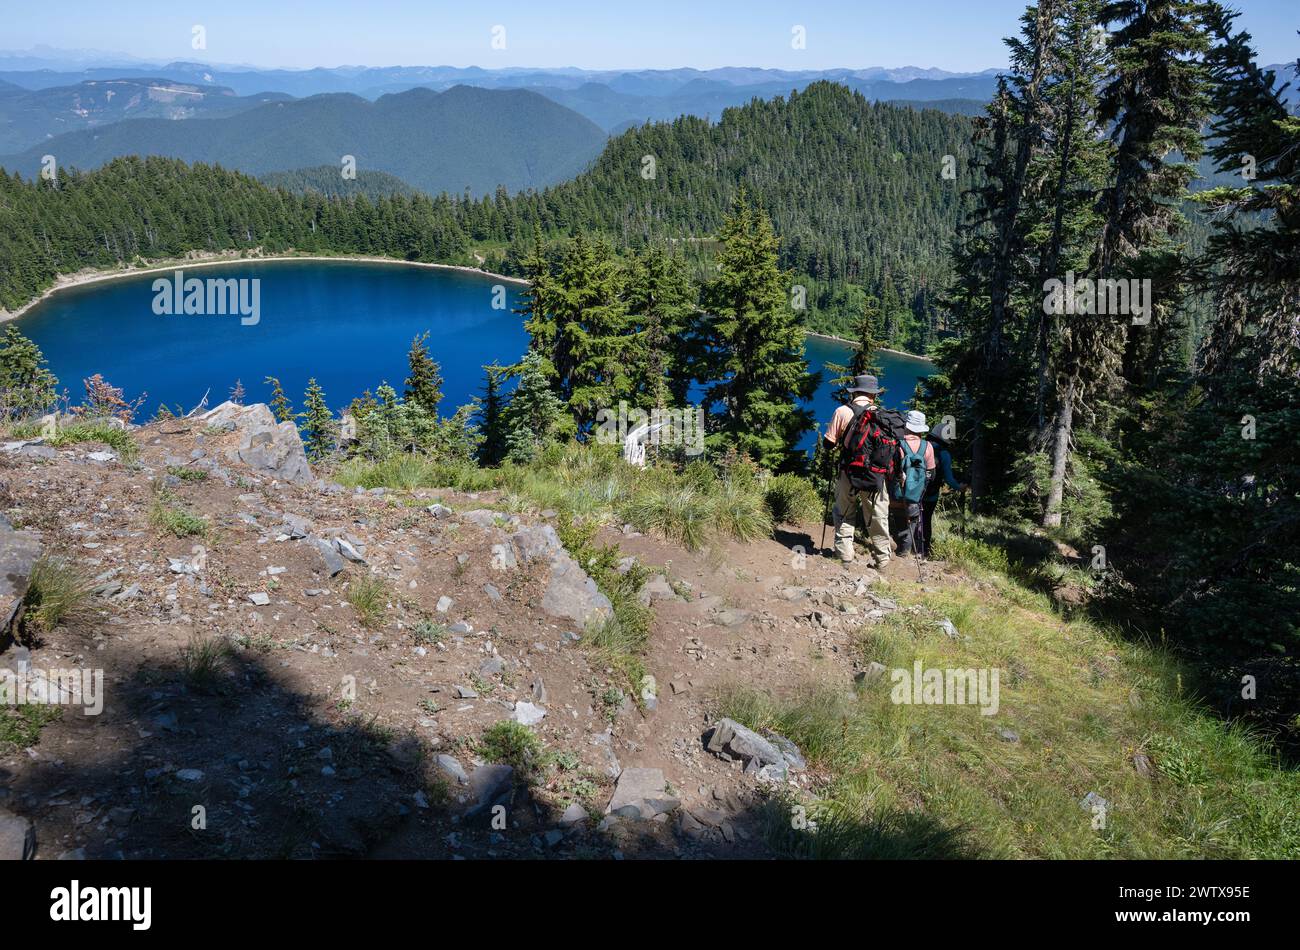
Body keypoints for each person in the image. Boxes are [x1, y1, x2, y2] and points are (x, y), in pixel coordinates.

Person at [822, 374, 892, 568]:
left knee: (844, 511)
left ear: (854, 392)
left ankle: (845, 555)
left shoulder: (842, 411)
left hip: (849, 471)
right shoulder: (883, 415)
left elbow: (829, 444)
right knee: (877, 515)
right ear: (874, 395)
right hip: (875, 474)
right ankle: (883, 559)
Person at [890, 410, 936, 557]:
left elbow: (891, 469)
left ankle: (896, 549)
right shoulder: (927, 446)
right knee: (911, 522)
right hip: (915, 497)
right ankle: (905, 552)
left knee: (898, 521)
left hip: (897, 493)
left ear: (906, 426)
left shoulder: (898, 444)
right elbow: (931, 474)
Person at [922, 418, 966, 557]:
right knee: (926, 520)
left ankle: (908, 544)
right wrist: (960, 487)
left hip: (914, 492)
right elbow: (949, 479)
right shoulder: (944, 454)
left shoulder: (922, 445)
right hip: (931, 494)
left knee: (912, 518)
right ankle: (924, 549)